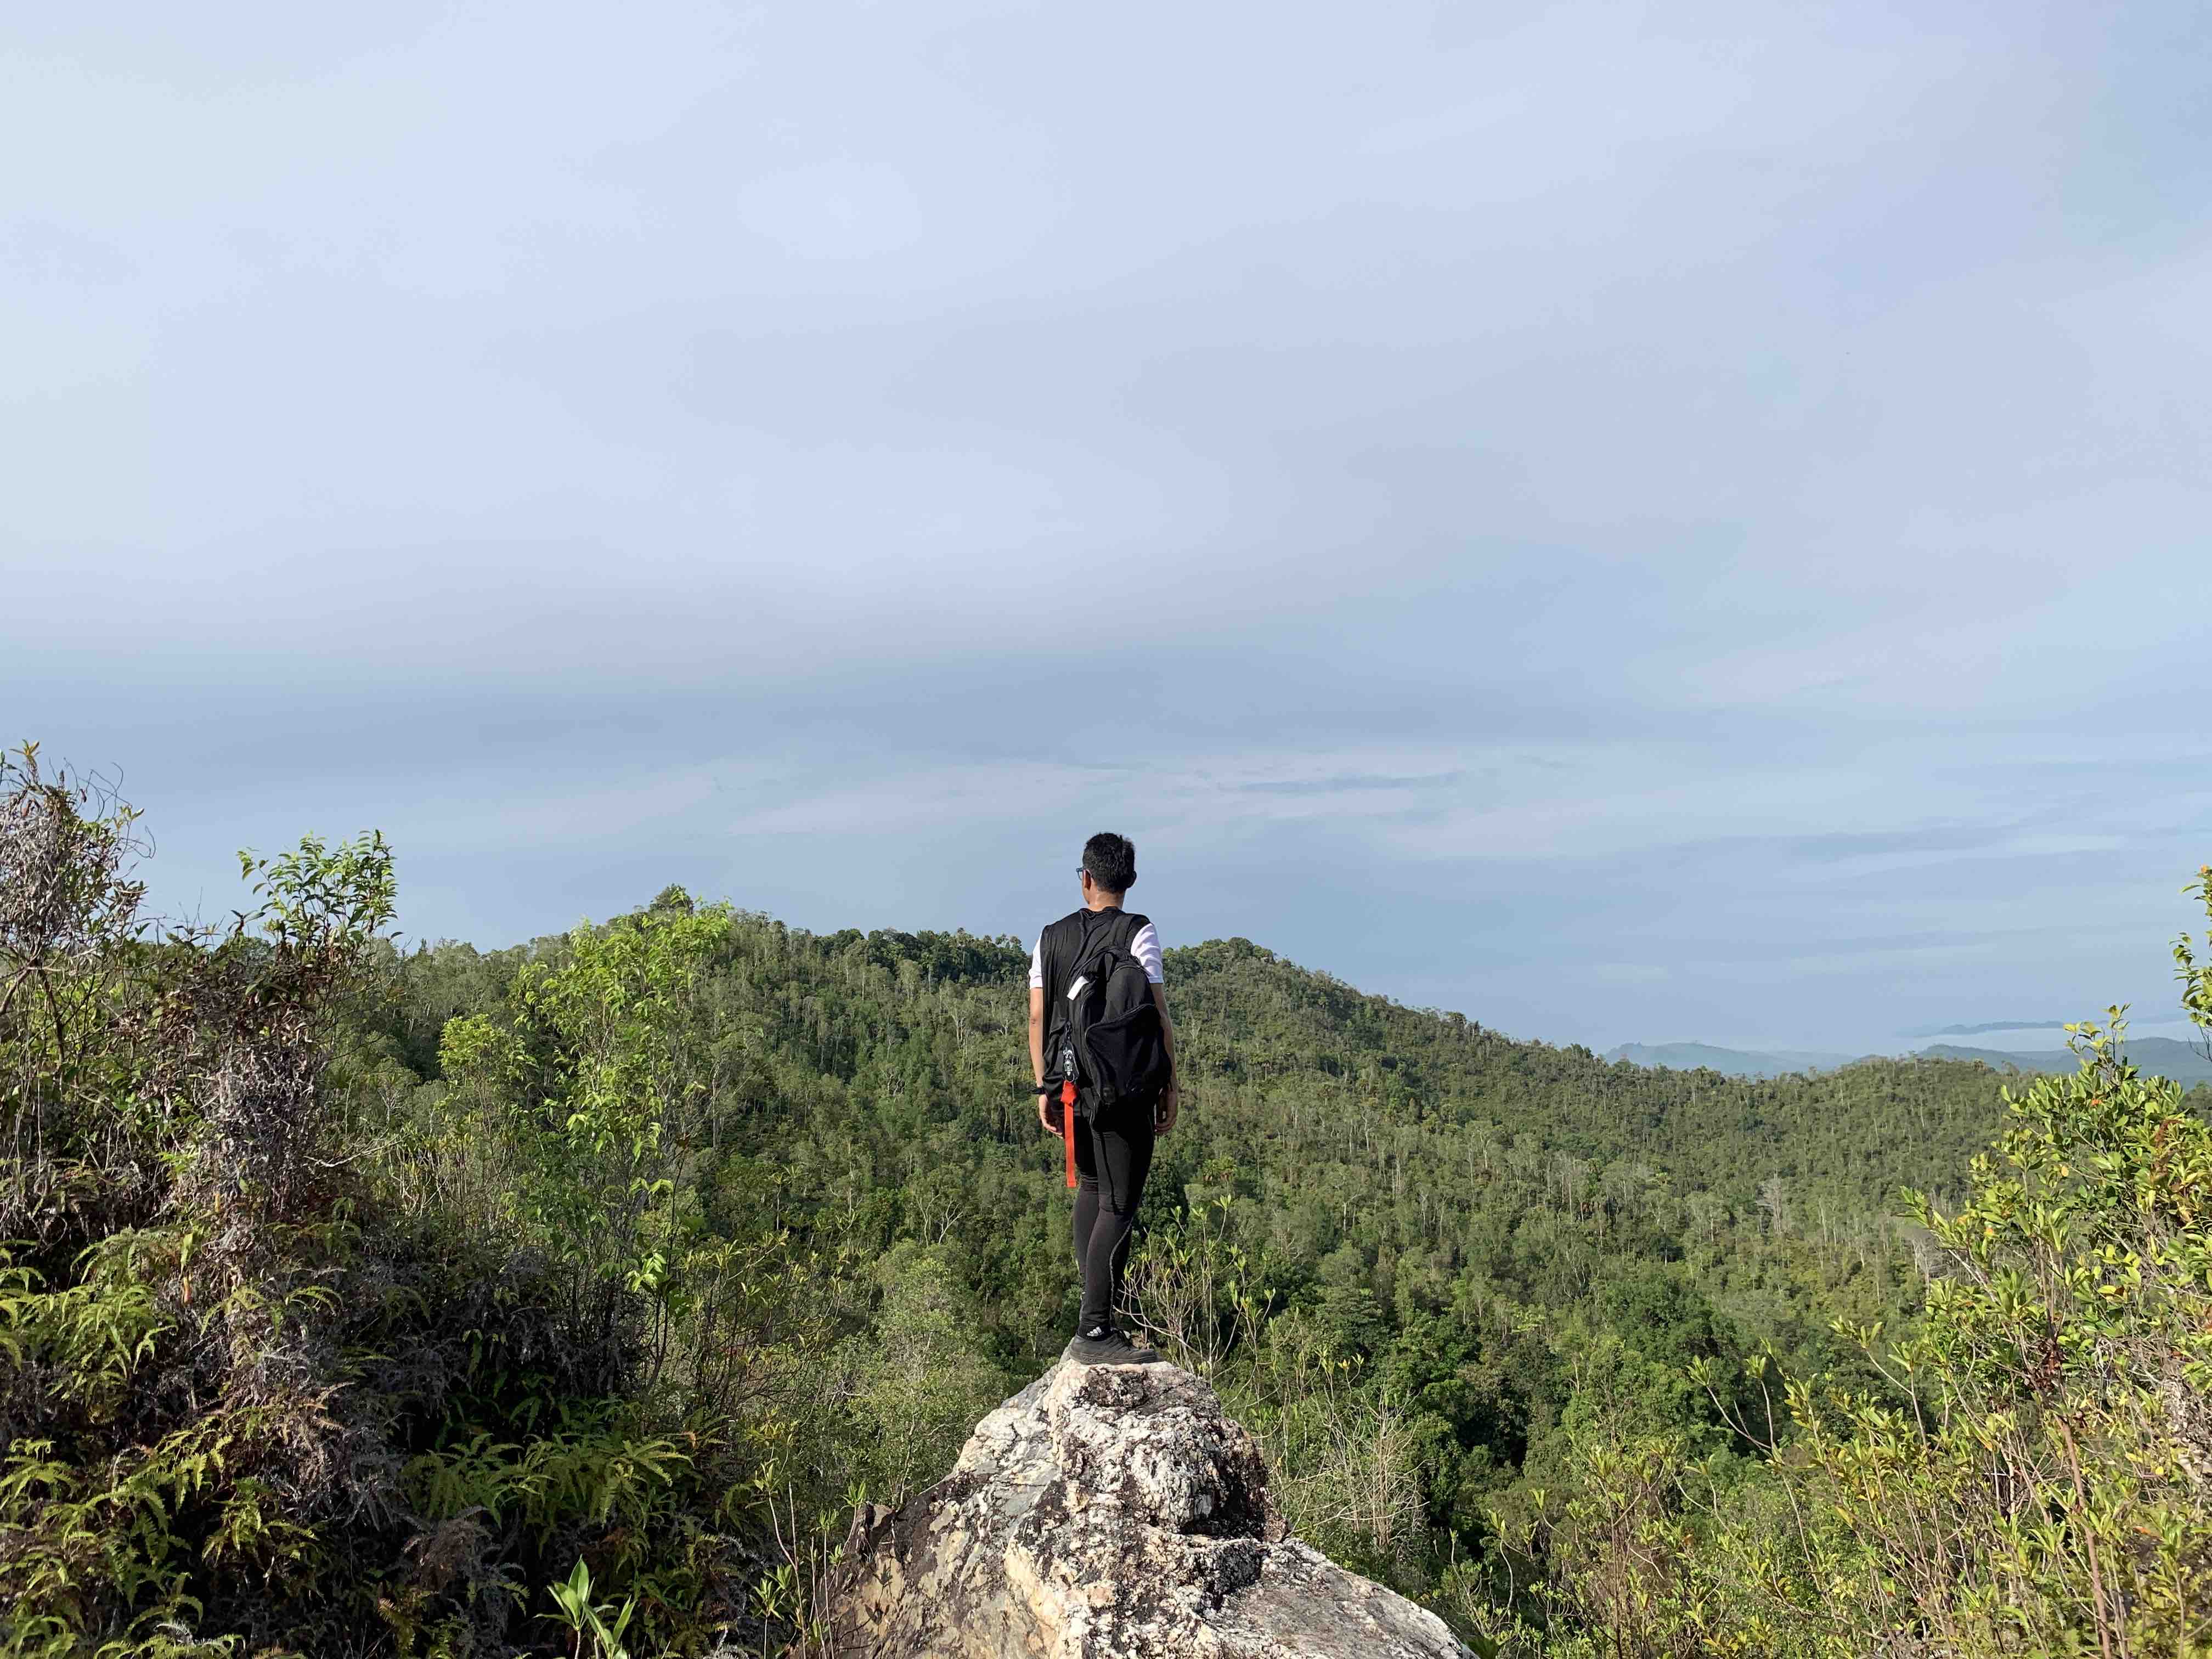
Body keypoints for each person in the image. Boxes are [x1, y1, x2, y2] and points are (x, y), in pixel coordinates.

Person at [1029, 832, 1180, 1365]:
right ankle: (1095, 1331)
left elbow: (1036, 1017)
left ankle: (1099, 1320)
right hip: (1124, 1088)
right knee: (1119, 1205)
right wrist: (1170, 1085)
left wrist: (1045, 1087)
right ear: (1130, 881)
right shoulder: (1139, 932)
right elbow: (1156, 1014)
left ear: (1086, 878)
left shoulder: (1050, 938)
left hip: (1072, 1088)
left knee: (1093, 1189)